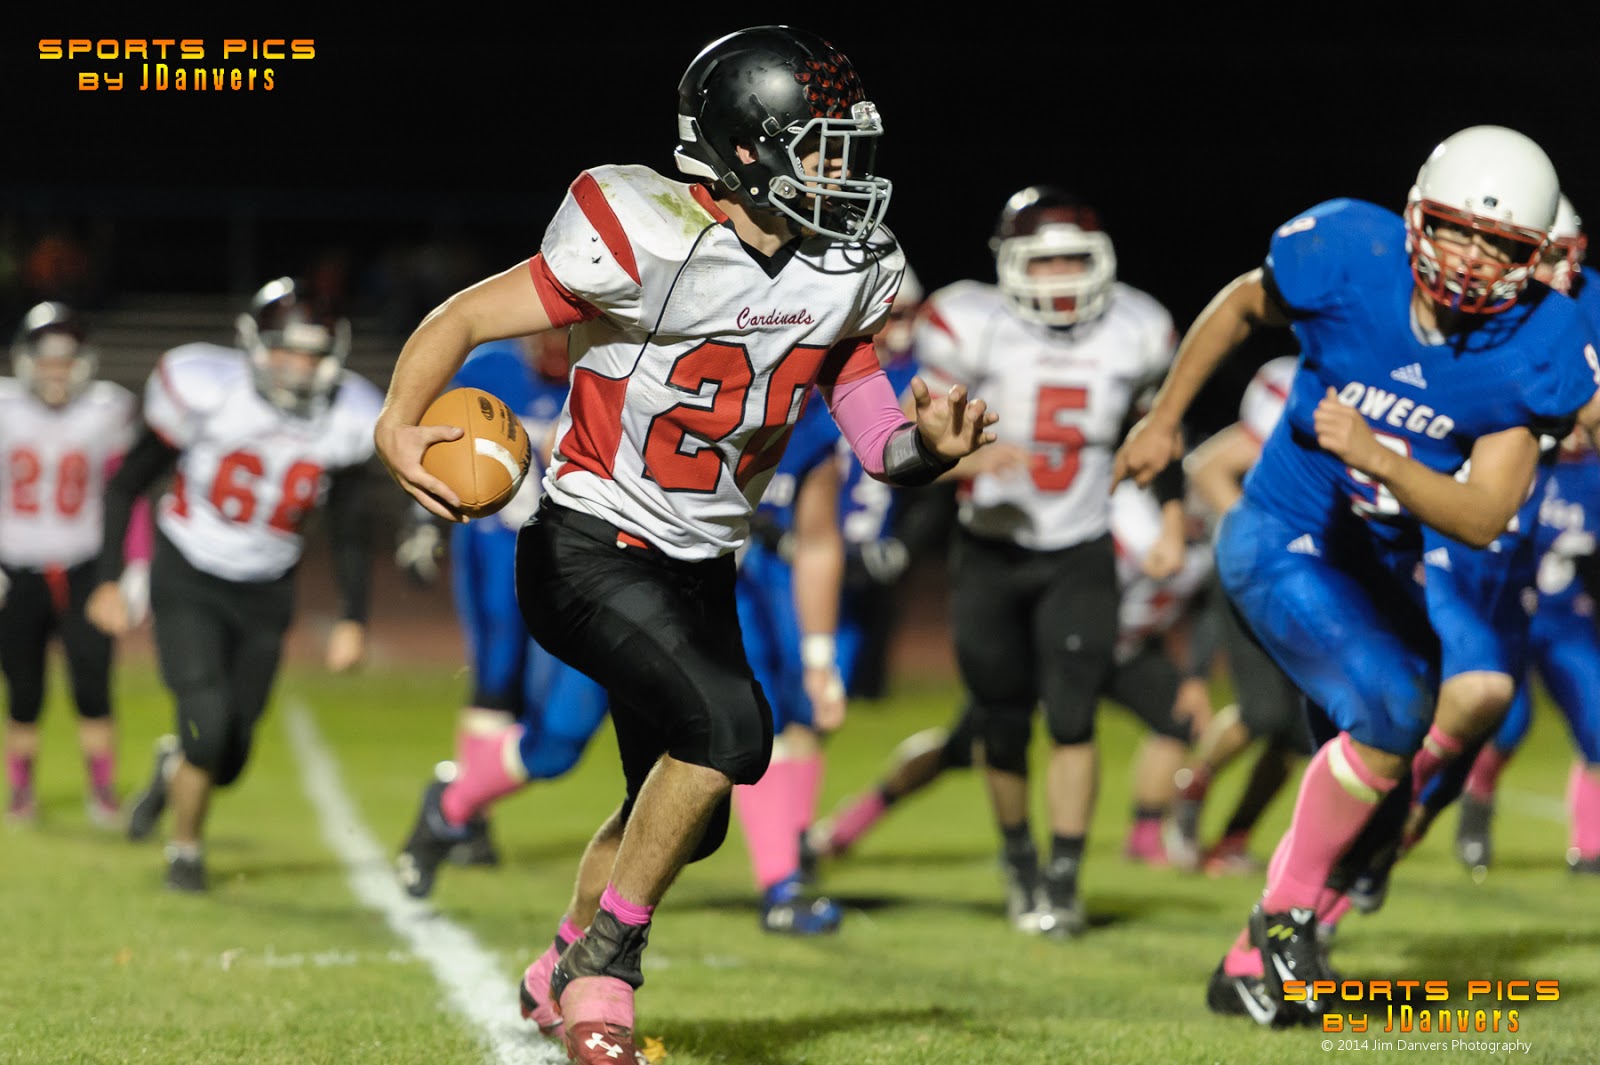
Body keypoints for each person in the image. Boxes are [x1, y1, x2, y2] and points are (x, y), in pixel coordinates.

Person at [370, 26, 995, 1065]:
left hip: (702, 562)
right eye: (820, 146)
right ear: (747, 150)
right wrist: (397, 418)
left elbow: (857, 406)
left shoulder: (848, 265)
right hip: (585, 541)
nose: (844, 173)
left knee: (684, 814)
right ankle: (607, 968)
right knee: (730, 732)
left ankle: (557, 961)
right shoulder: (641, 230)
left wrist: (921, 451)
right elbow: (462, 315)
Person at [1113, 125, 1600, 1027]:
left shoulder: (1539, 343)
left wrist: (1381, 453)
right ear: (1416, 217)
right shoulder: (1347, 251)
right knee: (1389, 711)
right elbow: (1238, 307)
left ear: (1537, 258)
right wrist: (1164, 417)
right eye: (1459, 229)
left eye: (1502, 245)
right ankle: (1283, 920)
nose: (1473, 259)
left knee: (1401, 749)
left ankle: (1251, 964)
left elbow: (1484, 513)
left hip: (1386, 565)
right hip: (1284, 534)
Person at [911, 184, 1188, 936]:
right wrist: (966, 457)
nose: (1063, 277)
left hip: (1080, 548)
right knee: (1001, 723)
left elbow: (1157, 432)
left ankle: (1063, 873)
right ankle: (1018, 857)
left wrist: (1168, 515)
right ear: (1010, 264)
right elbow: (904, 451)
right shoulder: (968, 325)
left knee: (1072, 716)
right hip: (991, 551)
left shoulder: (1138, 329)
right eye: (1047, 260)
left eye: (1074, 260)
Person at [86, 277, 381, 893]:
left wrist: (354, 615)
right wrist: (110, 578)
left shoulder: (349, 416)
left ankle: (174, 771)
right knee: (208, 723)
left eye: (312, 352)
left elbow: (351, 528)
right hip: (187, 572)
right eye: (286, 348)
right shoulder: (208, 391)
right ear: (254, 343)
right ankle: (185, 852)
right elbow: (125, 484)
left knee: (229, 756)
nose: (299, 365)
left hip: (267, 590)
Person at [804, 478, 1214, 875]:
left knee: (1180, 718)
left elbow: (1196, 604)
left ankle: (1144, 838)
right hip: (1050, 645)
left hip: (1121, 651)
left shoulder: (1209, 535)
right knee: (968, 745)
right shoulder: (1125, 516)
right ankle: (854, 821)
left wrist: (1194, 676)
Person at [392, 331, 611, 899]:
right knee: (496, 680)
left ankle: (462, 801)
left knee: (554, 719)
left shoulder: (616, 366)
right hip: (498, 544)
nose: (554, 344)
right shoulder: (491, 368)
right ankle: (466, 814)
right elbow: (440, 447)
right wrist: (423, 522)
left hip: (584, 565)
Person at [0, 302, 151, 826]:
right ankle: (21, 791)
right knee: (22, 690)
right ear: (26, 361)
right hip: (15, 567)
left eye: (65, 362)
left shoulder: (108, 411)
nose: (56, 373)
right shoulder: (4, 409)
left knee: (93, 686)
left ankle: (102, 789)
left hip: (85, 566)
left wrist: (135, 566)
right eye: (47, 362)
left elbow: (125, 492)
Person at [1167, 354, 1313, 876]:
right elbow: (1207, 466)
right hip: (1255, 580)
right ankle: (1193, 787)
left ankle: (1233, 840)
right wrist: (1260, 535)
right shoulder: (1299, 386)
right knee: (1264, 714)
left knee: (1303, 734)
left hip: (1316, 586)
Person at [734, 388, 850, 933]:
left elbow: (818, 541)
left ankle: (783, 880)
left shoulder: (811, 422)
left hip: (755, 582)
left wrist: (819, 660)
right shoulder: (689, 373)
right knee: (560, 737)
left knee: (785, 721)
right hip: (660, 572)